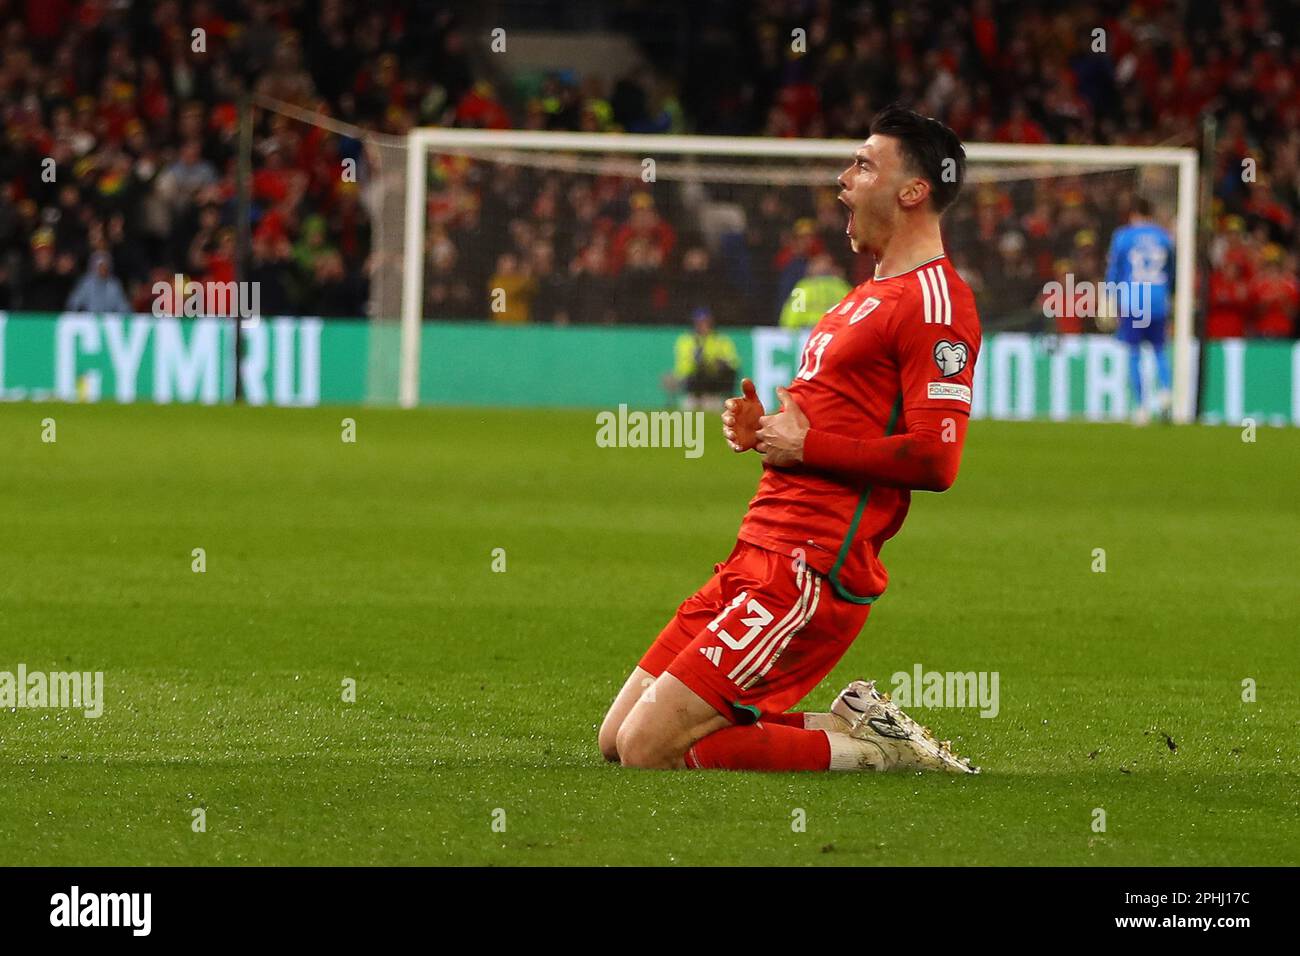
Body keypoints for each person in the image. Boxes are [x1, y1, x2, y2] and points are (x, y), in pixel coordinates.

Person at [600, 105, 982, 774]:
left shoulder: (935, 302)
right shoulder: (856, 298)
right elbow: (823, 421)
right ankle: (855, 724)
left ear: (914, 190)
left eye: (863, 165)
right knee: (615, 738)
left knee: (646, 750)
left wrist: (805, 448)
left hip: (810, 569)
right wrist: (761, 434)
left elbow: (936, 458)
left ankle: (872, 754)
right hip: (755, 553)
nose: (844, 179)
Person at [1105, 197, 1174, 424]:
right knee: (1159, 349)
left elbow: (1114, 270)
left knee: (1134, 353)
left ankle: (1142, 408)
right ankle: (1165, 390)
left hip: (1134, 301)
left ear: (1133, 213)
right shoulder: (1165, 237)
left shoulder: (1123, 236)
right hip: (1158, 300)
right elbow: (1172, 271)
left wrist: (1109, 299)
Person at [671, 307, 740, 411]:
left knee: (727, 373)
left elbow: (734, 362)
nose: (703, 325)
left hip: (713, 383)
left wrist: (719, 363)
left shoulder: (720, 340)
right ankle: (698, 399)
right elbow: (683, 367)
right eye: (700, 322)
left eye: (706, 321)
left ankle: (716, 398)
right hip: (693, 383)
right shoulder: (686, 340)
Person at [778, 253, 852, 329]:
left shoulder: (805, 287)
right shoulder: (842, 288)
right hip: (834, 332)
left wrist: (787, 331)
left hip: (806, 331)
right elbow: (852, 313)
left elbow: (792, 315)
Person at [67, 252, 131, 314]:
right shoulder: (85, 283)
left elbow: (123, 306)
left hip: (108, 320)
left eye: (106, 267)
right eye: (101, 266)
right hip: (89, 319)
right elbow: (74, 303)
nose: (103, 269)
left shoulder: (114, 284)